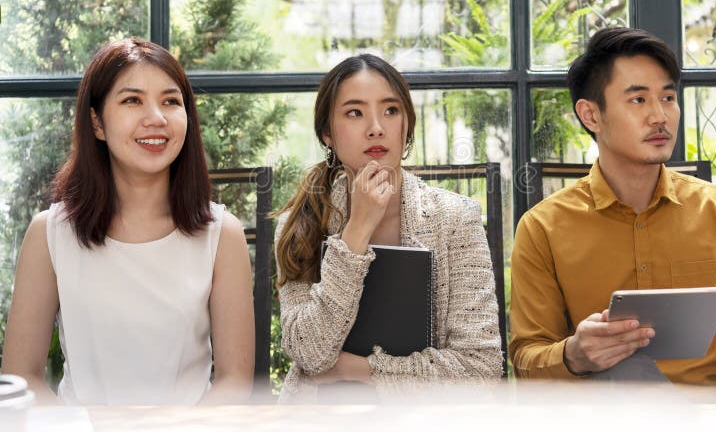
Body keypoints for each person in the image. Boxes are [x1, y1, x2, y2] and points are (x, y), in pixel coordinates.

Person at [509, 27, 716, 401]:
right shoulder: (542, 228)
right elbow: (525, 359)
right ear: (591, 115)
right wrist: (573, 355)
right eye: (638, 100)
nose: (660, 116)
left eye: (668, 97)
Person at [1, 39, 254, 405]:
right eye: (132, 100)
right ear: (97, 123)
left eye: (171, 101)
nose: (157, 117)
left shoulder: (220, 234)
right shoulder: (50, 233)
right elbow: (22, 377)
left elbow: (234, 382)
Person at [274, 54, 503, 402]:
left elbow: (480, 369)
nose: (376, 127)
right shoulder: (300, 224)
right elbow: (309, 351)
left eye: (391, 110)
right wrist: (357, 231)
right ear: (327, 134)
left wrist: (361, 370)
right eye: (355, 112)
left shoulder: (457, 219)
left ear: (406, 125)